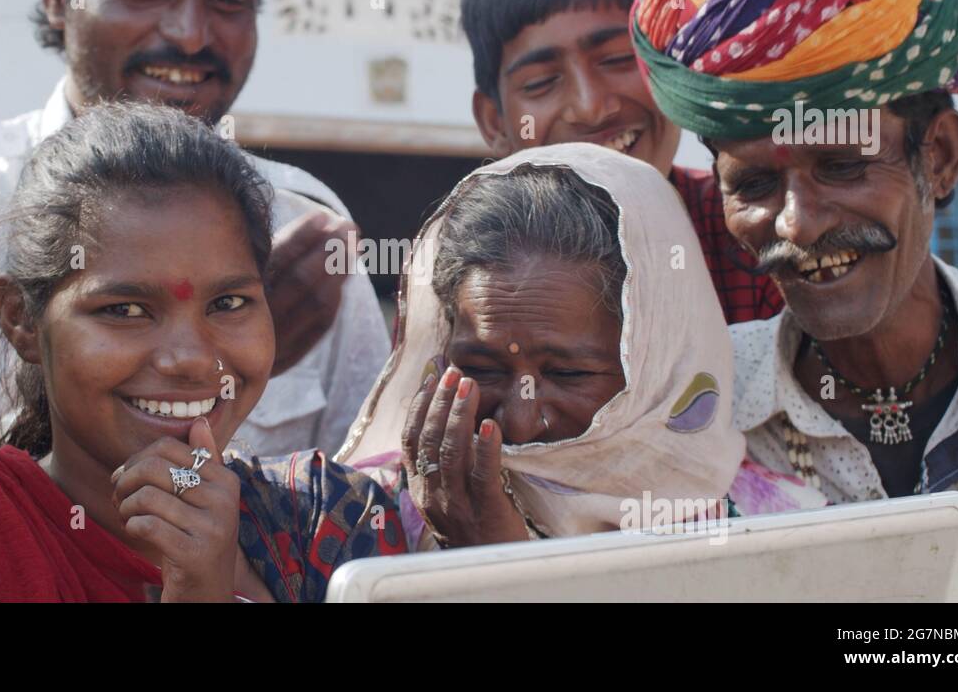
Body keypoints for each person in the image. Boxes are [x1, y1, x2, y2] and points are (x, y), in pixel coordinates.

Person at [0, 103, 405, 603]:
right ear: (21, 319)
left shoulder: (325, 523)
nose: (188, 359)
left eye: (229, 302)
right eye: (125, 310)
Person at [0, 0, 390, 456]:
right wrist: (226, 364)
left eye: (230, 0)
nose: (190, 33)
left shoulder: (304, 225)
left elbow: (367, 492)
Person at [632, 0, 958, 600]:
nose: (796, 222)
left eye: (842, 166)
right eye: (753, 185)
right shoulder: (698, 413)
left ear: (938, 158)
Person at [337, 143, 823, 550]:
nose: (522, 422)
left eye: (568, 375)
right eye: (482, 370)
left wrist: (494, 569)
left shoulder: (780, 533)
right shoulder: (355, 521)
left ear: (658, 366)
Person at [461, 0, 783, 324]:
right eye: (542, 82)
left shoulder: (751, 230)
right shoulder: (462, 265)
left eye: (617, 59)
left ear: (667, 64)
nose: (591, 106)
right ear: (494, 122)